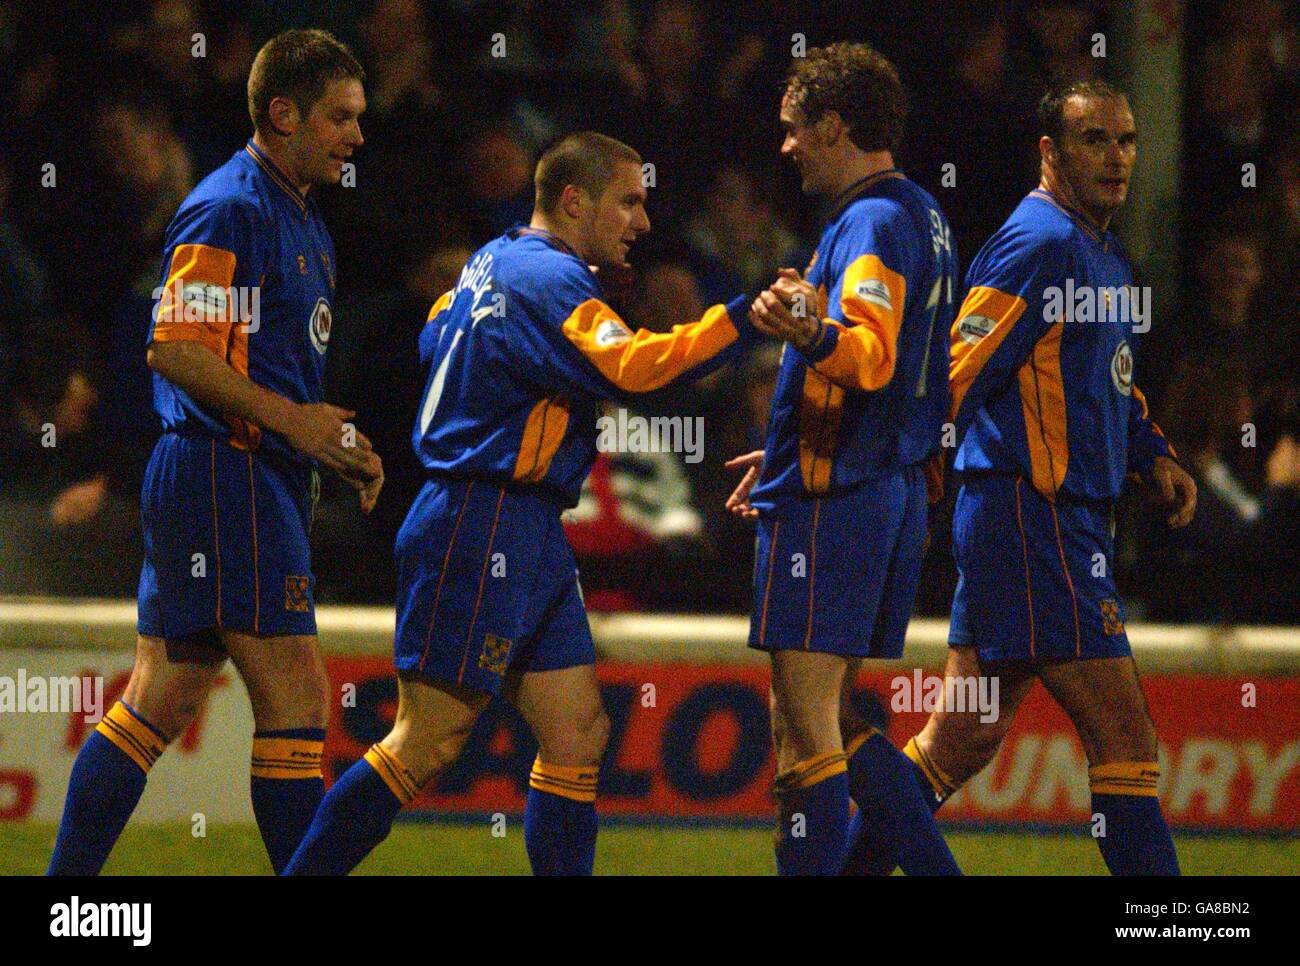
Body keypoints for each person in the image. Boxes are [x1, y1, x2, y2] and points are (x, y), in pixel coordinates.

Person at [283, 131, 754, 875]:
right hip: (483, 518)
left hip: (518, 522)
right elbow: (635, 369)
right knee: (427, 738)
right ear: (574, 201)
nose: (644, 222)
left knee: (576, 734)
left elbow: (436, 336)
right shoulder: (552, 279)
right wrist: (744, 318)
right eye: (629, 201)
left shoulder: (490, 261)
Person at [48, 29, 381, 876]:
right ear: (283, 113)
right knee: (299, 695)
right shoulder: (231, 206)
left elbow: (267, 366)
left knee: (165, 691)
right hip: (223, 470)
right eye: (341, 117)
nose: (357, 136)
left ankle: (63, 894)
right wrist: (299, 425)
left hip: (232, 472)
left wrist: (331, 439)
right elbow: (175, 349)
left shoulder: (298, 215)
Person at [847, 80, 1197, 876]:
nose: (1117, 158)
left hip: (1040, 517)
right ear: (1050, 151)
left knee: (957, 739)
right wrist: (870, 455)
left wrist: (1150, 453)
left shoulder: (1100, 252)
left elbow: (1104, 380)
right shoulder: (1037, 241)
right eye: (1094, 140)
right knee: (1125, 736)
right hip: (1034, 516)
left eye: (1127, 140)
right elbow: (955, 371)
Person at [725, 42, 961, 876]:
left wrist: (809, 331)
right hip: (876, 487)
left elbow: (868, 355)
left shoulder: (869, 220)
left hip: (840, 500)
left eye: (794, 129)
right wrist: (787, 449)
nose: (785, 147)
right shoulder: (921, 214)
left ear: (831, 126)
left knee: (804, 729)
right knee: (815, 715)